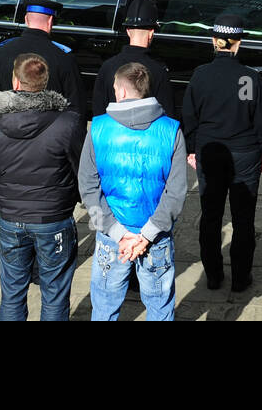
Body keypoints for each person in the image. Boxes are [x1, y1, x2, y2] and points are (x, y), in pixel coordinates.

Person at [80, 61, 188, 320]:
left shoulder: (97, 128)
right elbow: (176, 192)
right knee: (160, 308)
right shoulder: (171, 130)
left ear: (122, 92)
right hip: (156, 235)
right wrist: (147, 235)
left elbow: (87, 187)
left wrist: (117, 233)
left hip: (110, 235)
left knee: (104, 308)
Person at [0, 53, 86, 320]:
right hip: (53, 216)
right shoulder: (68, 121)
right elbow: (79, 168)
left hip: (12, 214)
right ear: (45, 81)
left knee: (12, 293)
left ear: (16, 81)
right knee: (55, 293)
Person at [181, 13, 262, 292]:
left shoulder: (201, 75)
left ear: (214, 41)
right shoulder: (248, 78)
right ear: (238, 44)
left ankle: (213, 274)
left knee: (210, 215)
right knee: (243, 217)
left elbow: (190, 116)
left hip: (210, 151)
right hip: (245, 153)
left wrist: (191, 148)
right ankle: (240, 277)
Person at [0, 0, 85, 115]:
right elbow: (76, 107)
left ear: (26, 20)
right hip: (51, 130)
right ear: (50, 21)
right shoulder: (63, 57)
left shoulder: (2, 52)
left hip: (5, 128)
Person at [91, 0, 175, 118]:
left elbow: (98, 111)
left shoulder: (107, 67)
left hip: (112, 135)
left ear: (128, 31)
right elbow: (168, 117)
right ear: (151, 33)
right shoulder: (159, 71)